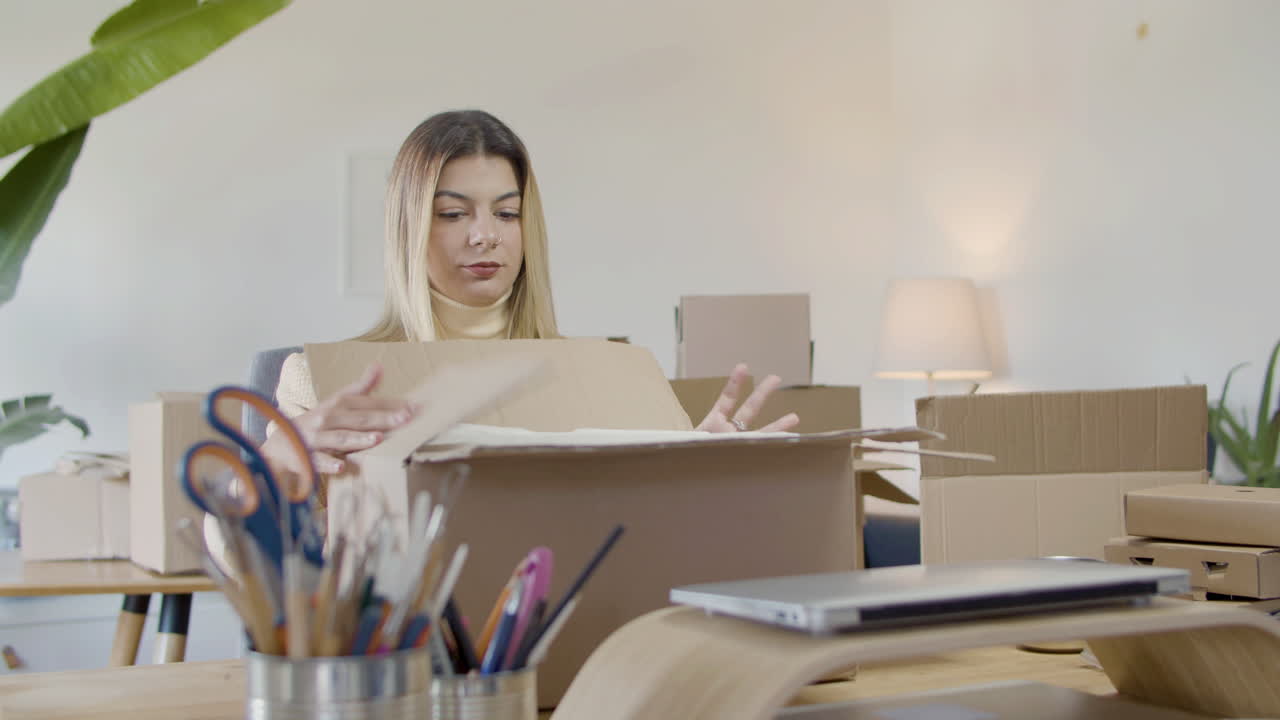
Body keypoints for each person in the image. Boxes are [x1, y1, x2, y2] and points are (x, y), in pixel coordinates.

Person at [260, 110, 798, 478]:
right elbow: (250, 566)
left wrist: (698, 466)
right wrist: (271, 470)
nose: (485, 235)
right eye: (453, 213)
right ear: (410, 228)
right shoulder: (323, 383)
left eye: (507, 213)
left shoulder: (613, 378)